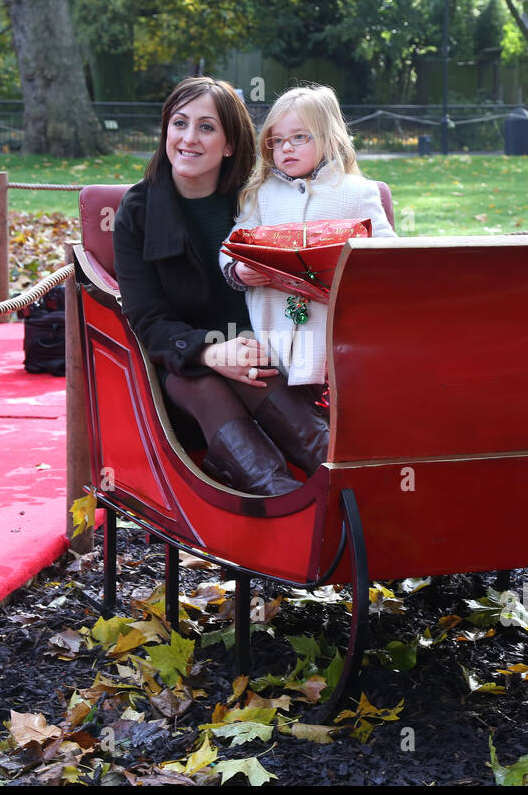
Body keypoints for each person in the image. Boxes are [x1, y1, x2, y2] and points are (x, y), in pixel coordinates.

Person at [112, 77, 329, 496]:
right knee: (210, 386)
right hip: (179, 365)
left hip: (259, 350)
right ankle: (282, 517)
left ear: (229, 144)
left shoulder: (259, 200)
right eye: (179, 123)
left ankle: (364, 515)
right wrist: (210, 351)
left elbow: (327, 190)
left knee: (308, 434)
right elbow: (148, 319)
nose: (188, 138)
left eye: (206, 127)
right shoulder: (137, 211)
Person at [221, 84, 396, 388]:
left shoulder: (356, 192)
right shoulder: (260, 194)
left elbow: (387, 251)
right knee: (281, 396)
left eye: (299, 137)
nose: (285, 148)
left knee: (330, 395)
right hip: (271, 328)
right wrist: (237, 270)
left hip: (333, 330)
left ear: (329, 138)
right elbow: (233, 243)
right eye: (277, 140)